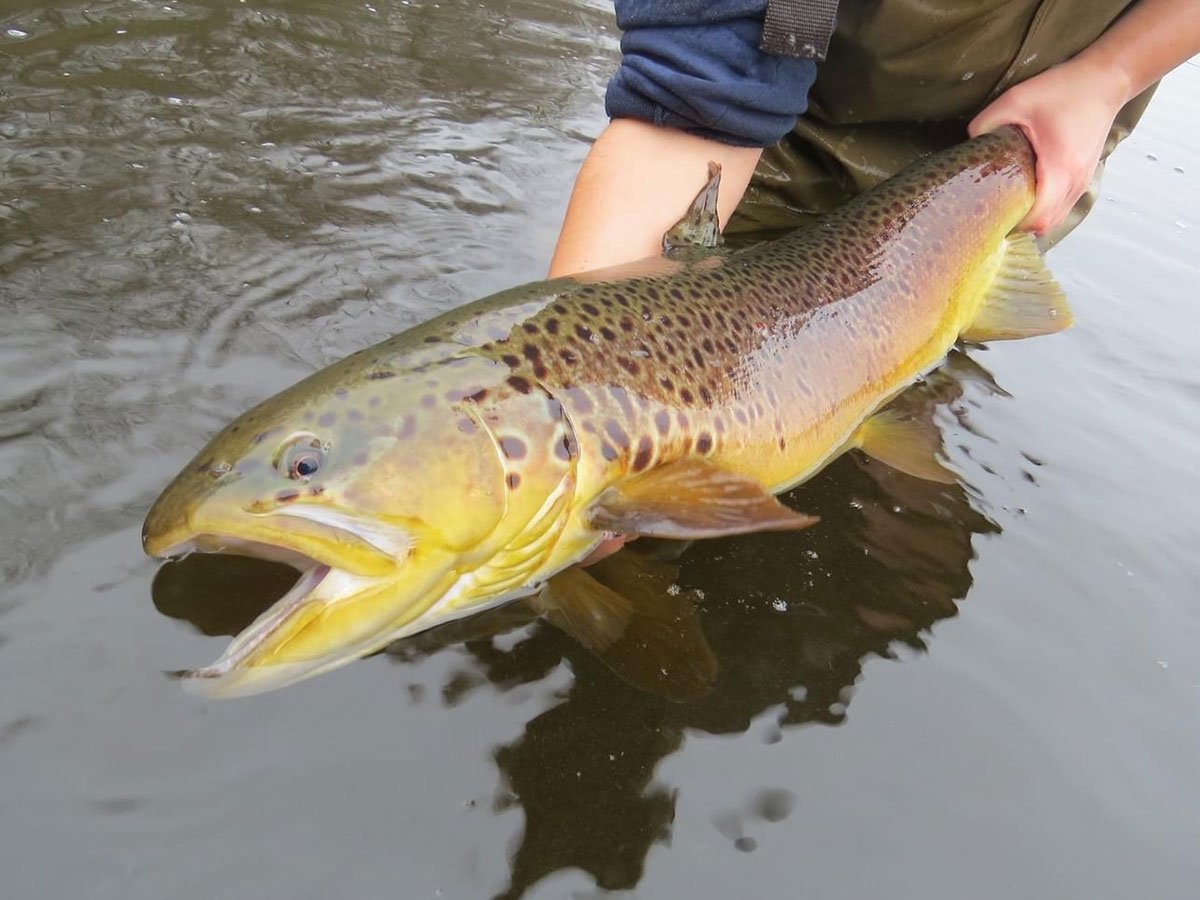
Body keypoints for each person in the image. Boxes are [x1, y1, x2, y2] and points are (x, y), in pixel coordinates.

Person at [548, 0, 1200, 279]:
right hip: (789, 140)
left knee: (905, 501)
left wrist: (1111, 72)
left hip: (1024, 163)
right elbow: (700, 102)